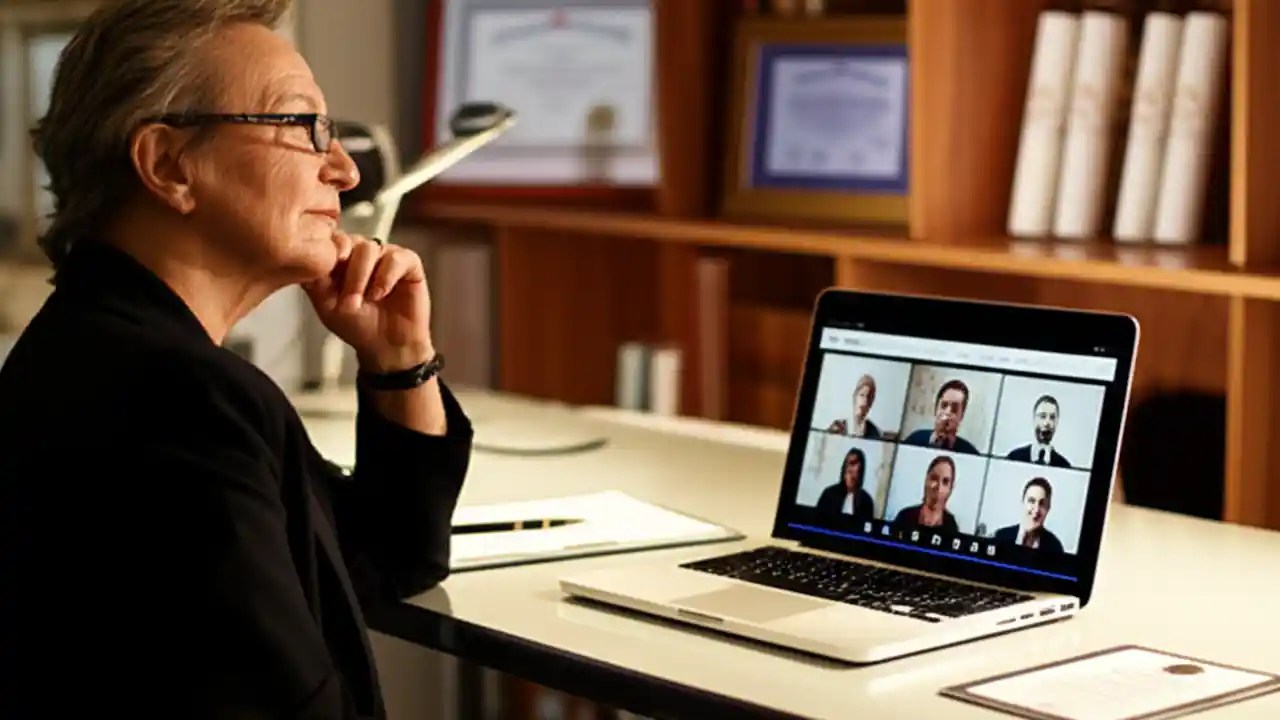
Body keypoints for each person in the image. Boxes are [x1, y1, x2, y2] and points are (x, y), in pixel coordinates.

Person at [0, 1, 473, 717]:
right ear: (168, 164)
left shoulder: (105, 353)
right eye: (303, 127)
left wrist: (399, 358)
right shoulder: (177, 399)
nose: (343, 170)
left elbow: (384, 558)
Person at [902, 378, 980, 454]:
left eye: (955, 409)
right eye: (944, 406)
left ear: (961, 416)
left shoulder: (970, 452)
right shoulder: (914, 440)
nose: (947, 413)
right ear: (936, 409)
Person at [993, 478, 1065, 553]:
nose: (1036, 510)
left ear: (1048, 508)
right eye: (1031, 501)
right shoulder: (1000, 537)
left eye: (1042, 503)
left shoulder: (1055, 548)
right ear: (1022, 503)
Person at [892, 455, 960, 532]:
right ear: (926, 480)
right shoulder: (905, 516)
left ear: (951, 488)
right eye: (934, 478)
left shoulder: (951, 526)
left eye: (945, 482)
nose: (939, 488)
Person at [1006, 394, 1072, 467]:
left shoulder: (1064, 465)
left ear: (1057, 422)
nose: (1047, 423)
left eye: (1052, 417)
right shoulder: (1014, 458)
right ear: (1034, 419)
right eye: (1042, 416)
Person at [815, 446, 876, 521]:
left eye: (853, 464)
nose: (849, 469)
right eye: (847, 464)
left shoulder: (866, 501)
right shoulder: (829, 494)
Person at [826, 374, 882, 439]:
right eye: (862, 395)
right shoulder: (837, 427)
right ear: (855, 397)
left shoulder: (874, 432)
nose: (864, 402)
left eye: (869, 397)